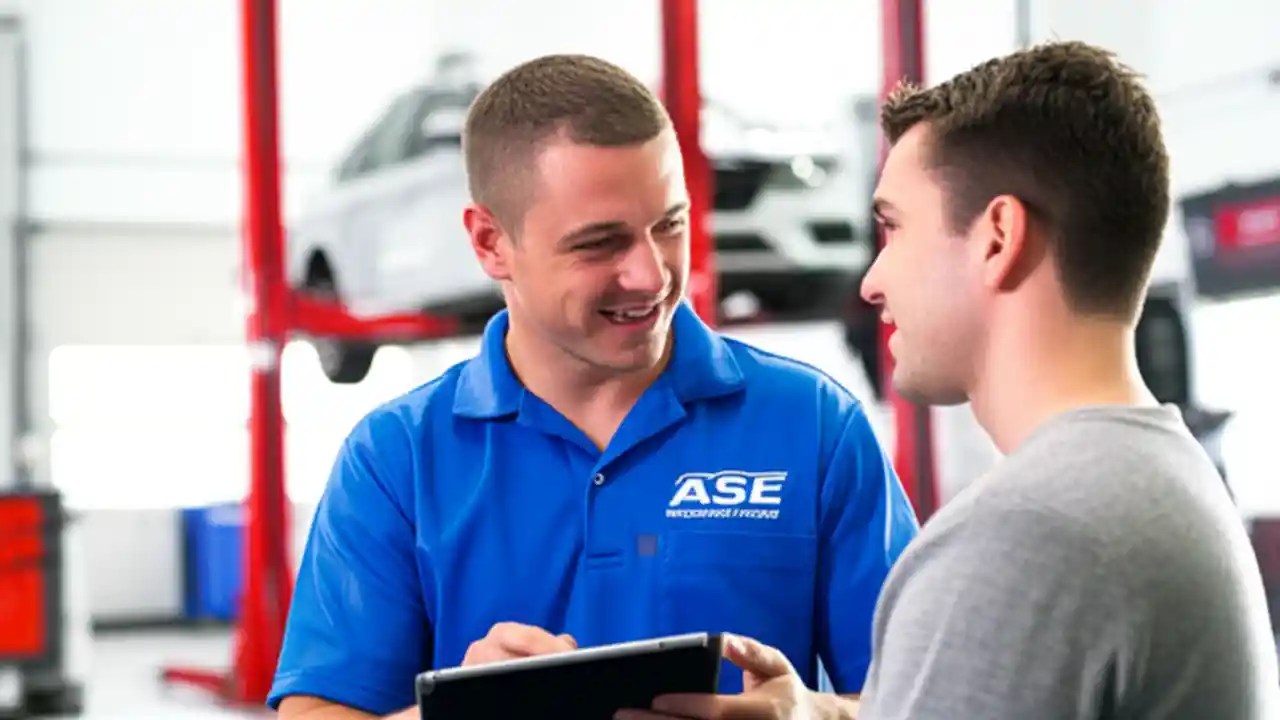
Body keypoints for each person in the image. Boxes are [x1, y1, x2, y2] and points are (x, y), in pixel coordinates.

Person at [619, 40, 1280, 720]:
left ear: (998, 238)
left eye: (894, 228)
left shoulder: (1022, 539)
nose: (873, 282)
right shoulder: (1161, 480)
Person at [269, 54, 919, 719]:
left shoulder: (812, 426)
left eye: (669, 224)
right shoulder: (396, 459)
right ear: (492, 242)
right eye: (599, 243)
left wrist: (810, 716)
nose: (651, 274)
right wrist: (464, 713)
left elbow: (933, 695)